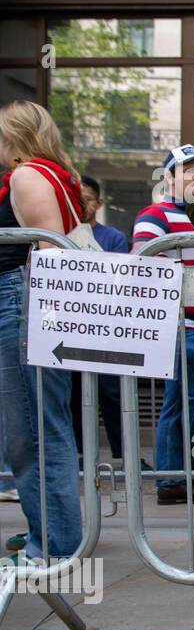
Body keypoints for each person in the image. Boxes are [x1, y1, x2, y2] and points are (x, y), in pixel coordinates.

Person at [0, 100, 84, 564]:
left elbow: (50, 249)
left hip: (23, 304)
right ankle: (51, 536)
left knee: (31, 432)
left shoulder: (27, 175)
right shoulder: (52, 173)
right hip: (34, 306)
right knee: (41, 427)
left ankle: (52, 546)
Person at [133, 144, 194, 506]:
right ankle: (174, 475)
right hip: (181, 325)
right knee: (185, 401)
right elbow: (142, 262)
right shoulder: (156, 214)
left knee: (190, 401)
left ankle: (184, 473)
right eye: (188, 171)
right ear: (169, 179)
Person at [69, 175, 127, 466]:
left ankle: (124, 455)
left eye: (88, 199)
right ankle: (78, 455)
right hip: (73, 328)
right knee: (74, 396)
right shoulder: (63, 235)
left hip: (105, 330)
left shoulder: (113, 237)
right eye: (78, 198)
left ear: (99, 202)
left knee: (112, 393)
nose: (83, 204)